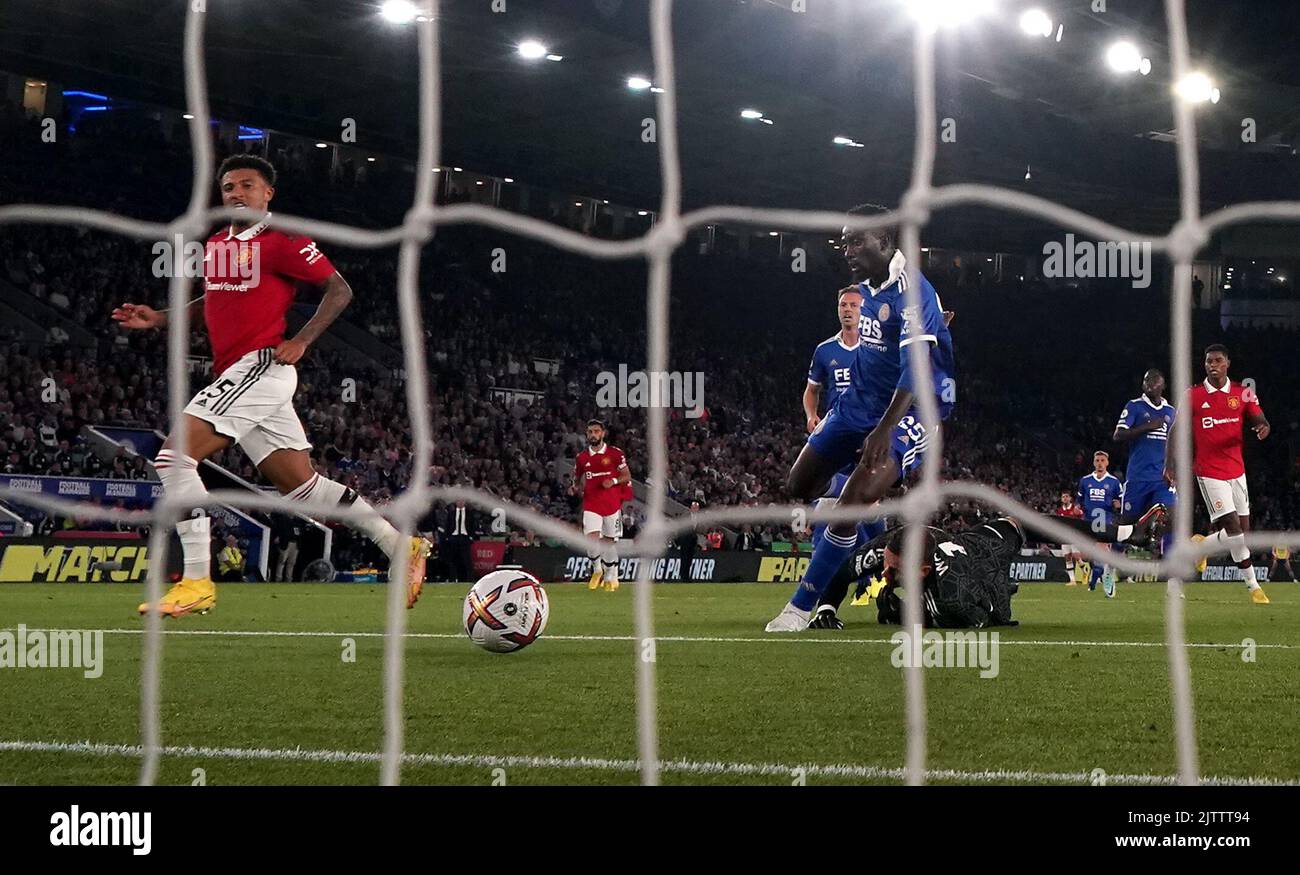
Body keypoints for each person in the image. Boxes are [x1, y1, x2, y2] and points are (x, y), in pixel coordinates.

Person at [114, 155, 430, 617]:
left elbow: (338, 289)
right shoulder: (218, 242)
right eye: (228, 187)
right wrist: (161, 317)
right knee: (300, 487)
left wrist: (301, 340)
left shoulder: (283, 240)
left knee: (173, 455)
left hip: (260, 366)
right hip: (237, 374)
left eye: (247, 185)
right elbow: (213, 299)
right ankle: (400, 545)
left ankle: (198, 580)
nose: (236, 194)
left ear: (268, 195)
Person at [768, 203, 955, 632]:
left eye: (856, 240)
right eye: (844, 241)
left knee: (848, 505)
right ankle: (861, 527)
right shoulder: (864, 286)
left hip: (912, 410)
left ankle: (800, 607)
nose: (847, 249)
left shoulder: (912, 290)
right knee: (800, 486)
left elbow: (915, 369)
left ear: (885, 240)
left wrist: (882, 432)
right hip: (856, 405)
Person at [813, 508, 1168, 630]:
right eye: (886, 567)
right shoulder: (897, 544)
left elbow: (984, 618)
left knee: (908, 612)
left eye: (892, 572)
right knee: (1020, 520)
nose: (883, 575)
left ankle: (1124, 533)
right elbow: (845, 571)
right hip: (973, 541)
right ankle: (1127, 532)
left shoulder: (954, 594)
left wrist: (903, 609)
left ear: (921, 571)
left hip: (985, 567)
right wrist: (826, 607)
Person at [1165, 344, 1271, 604]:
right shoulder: (1192, 395)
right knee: (1233, 528)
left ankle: (1199, 546)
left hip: (1237, 471)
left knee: (1241, 532)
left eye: (1218, 360)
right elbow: (1176, 431)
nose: (1212, 365)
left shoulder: (1242, 393)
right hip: (1209, 472)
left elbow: (1259, 418)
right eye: (1208, 361)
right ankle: (1254, 586)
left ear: (1227, 363)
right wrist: (1169, 464)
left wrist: (1263, 427)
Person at [570, 419, 630, 591]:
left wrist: (613, 480)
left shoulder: (615, 453)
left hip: (611, 505)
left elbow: (626, 475)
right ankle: (597, 569)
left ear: (603, 433)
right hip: (591, 504)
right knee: (592, 539)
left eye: (596, 431)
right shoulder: (582, 457)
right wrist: (575, 487)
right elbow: (578, 477)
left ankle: (611, 574)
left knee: (609, 543)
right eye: (590, 432)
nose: (593, 434)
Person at [1076, 450, 1123, 596]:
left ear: (1107, 463)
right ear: (1093, 462)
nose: (1100, 463)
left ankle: (1101, 579)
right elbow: (1079, 501)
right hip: (1088, 520)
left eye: (1103, 460)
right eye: (1097, 460)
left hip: (1104, 520)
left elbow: (1121, 501)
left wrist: (1118, 505)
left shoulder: (1114, 482)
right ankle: (1099, 573)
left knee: (1101, 553)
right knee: (1084, 555)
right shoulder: (1085, 481)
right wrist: (1077, 508)